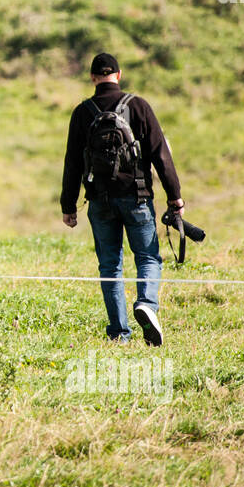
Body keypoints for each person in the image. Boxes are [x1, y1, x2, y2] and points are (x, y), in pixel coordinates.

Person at [60, 53, 183, 345]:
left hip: (100, 201)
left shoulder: (82, 112)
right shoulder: (138, 106)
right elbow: (160, 155)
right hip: (137, 198)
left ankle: (119, 334)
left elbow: (73, 163)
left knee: (109, 266)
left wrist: (68, 206)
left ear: (92, 78)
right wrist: (174, 196)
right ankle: (146, 304)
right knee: (148, 257)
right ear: (119, 74)